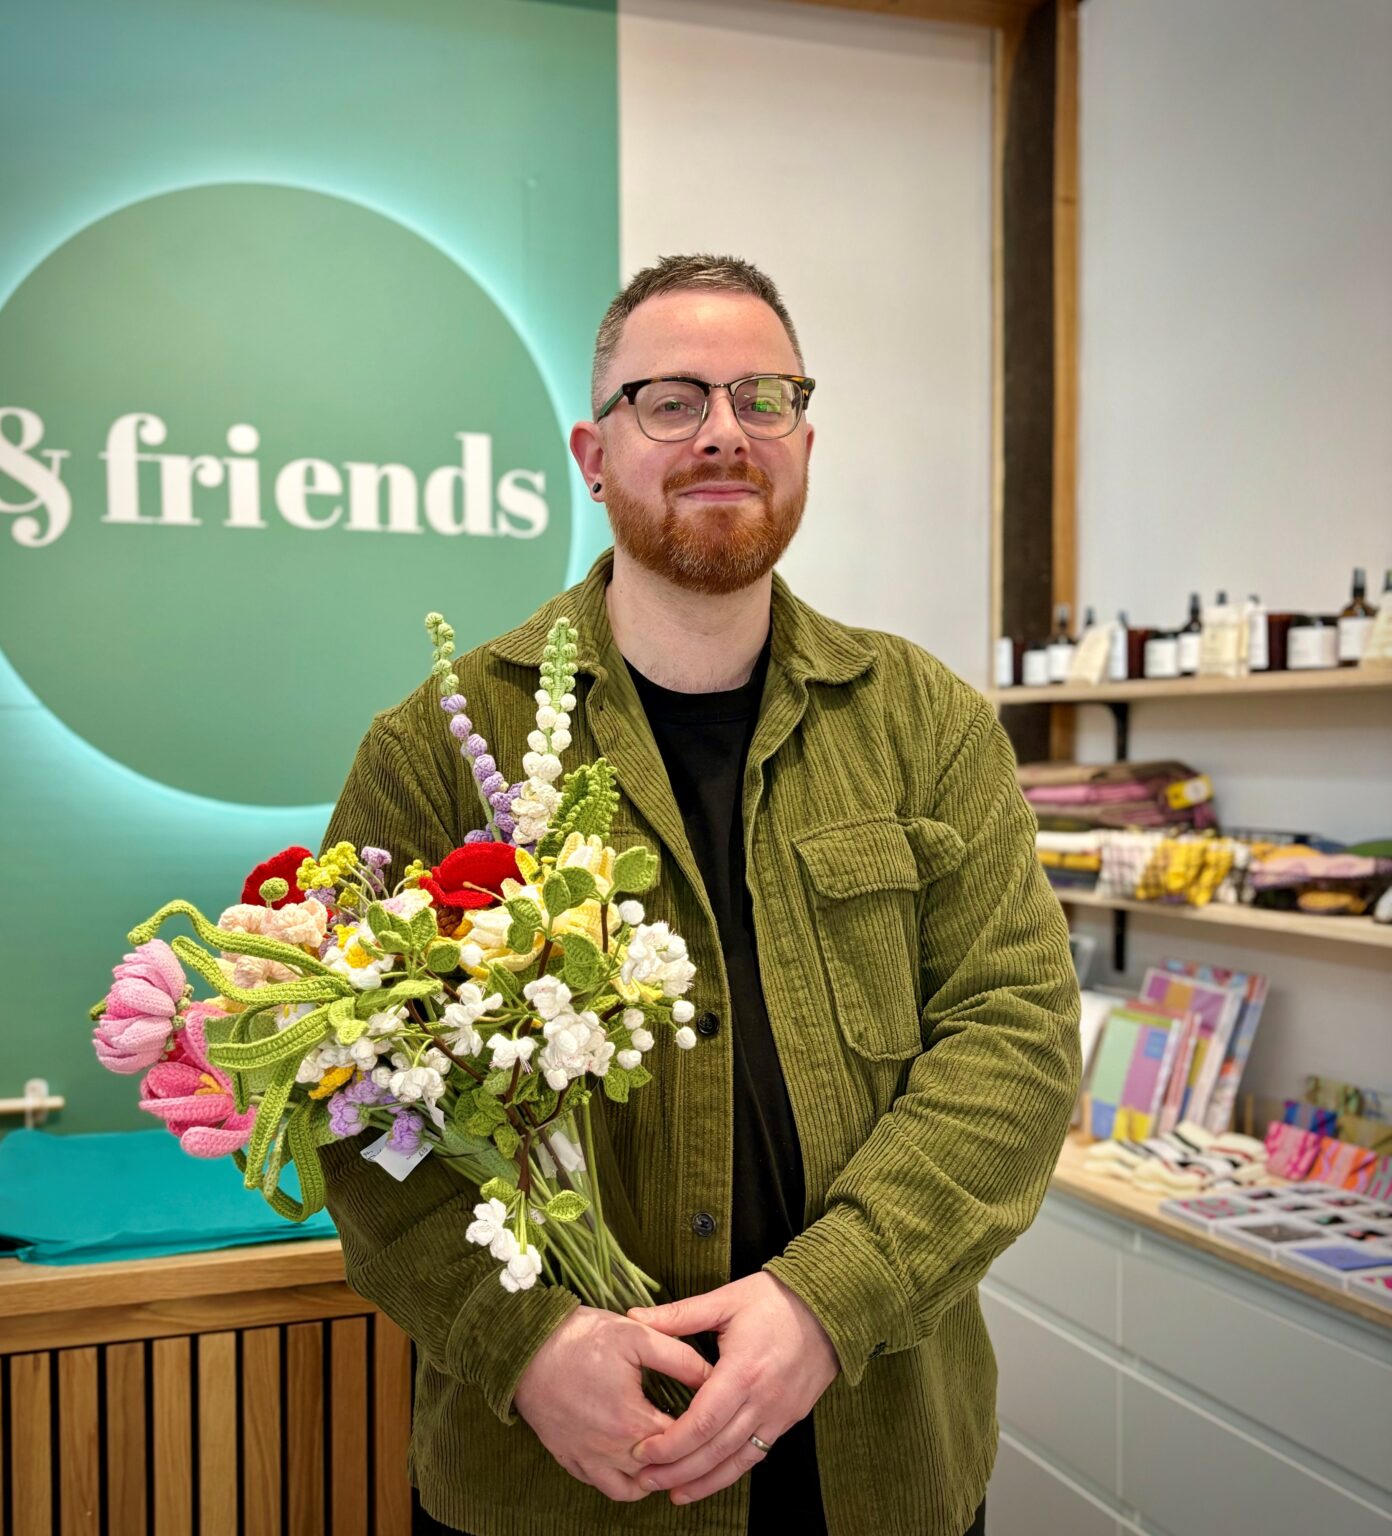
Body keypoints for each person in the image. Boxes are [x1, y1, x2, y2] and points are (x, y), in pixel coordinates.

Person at [320, 254, 1082, 1536]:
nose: (725, 431)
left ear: (804, 443)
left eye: (763, 397)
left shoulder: (927, 723)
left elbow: (1017, 1037)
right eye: (671, 400)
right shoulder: (438, 747)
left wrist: (831, 1298)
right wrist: (521, 1341)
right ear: (594, 455)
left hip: (880, 1456)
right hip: (562, 1481)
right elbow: (356, 1102)